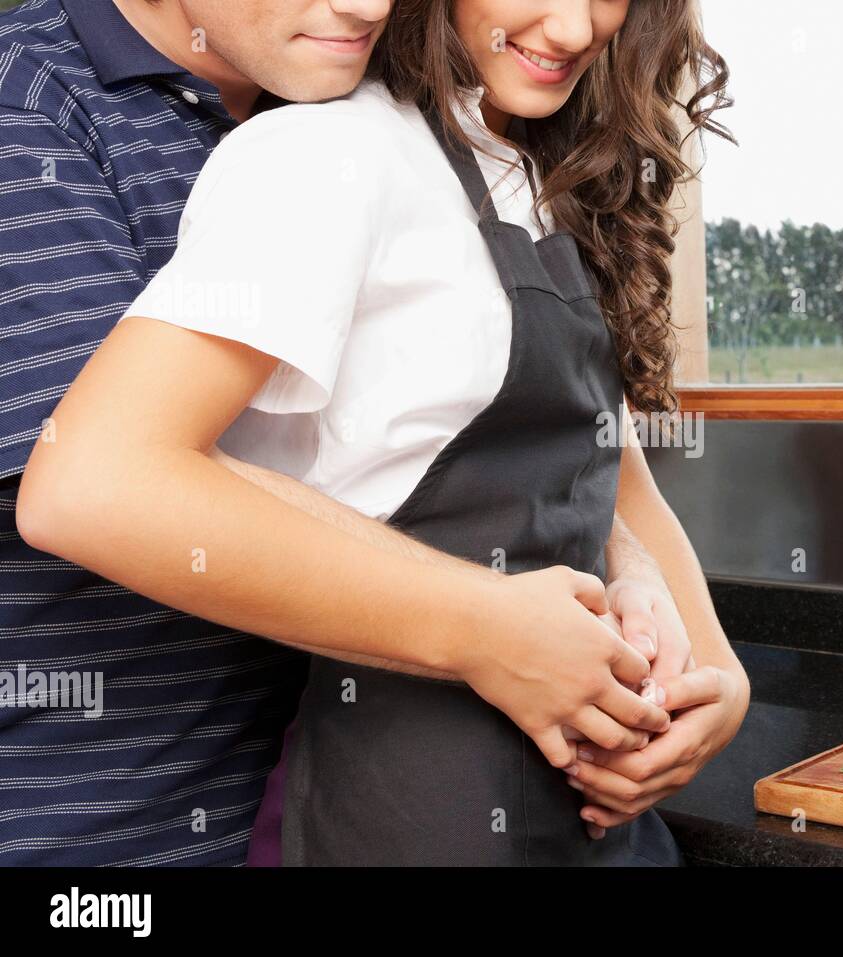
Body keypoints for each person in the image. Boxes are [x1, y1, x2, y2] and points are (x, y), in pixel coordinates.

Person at [4, 0, 747, 865]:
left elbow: (556, 464)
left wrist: (687, 639)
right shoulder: (56, 115)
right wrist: (491, 626)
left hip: (300, 787)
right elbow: (104, 481)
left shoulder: (329, 91)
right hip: (100, 828)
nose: (364, 4)